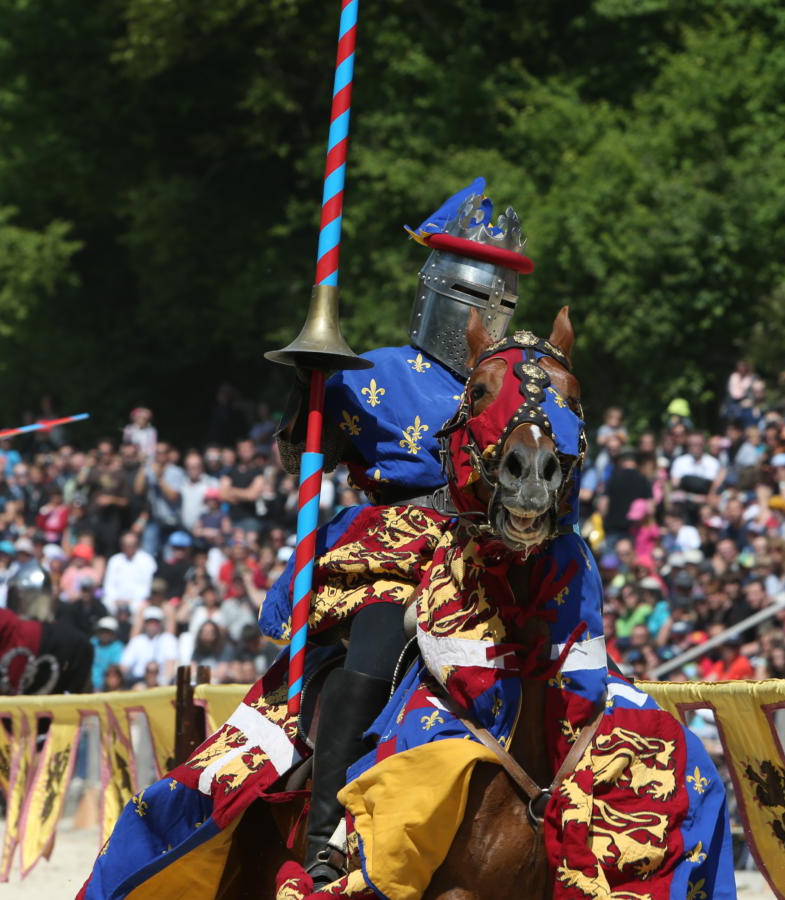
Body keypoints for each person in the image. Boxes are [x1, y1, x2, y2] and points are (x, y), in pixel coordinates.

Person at [267, 179, 537, 885]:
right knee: (380, 641)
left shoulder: (514, 383)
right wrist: (309, 383)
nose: (490, 316)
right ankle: (325, 829)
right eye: (478, 301)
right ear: (439, 297)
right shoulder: (377, 372)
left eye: (502, 305)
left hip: (486, 545)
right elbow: (301, 447)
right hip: (399, 543)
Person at [102, 532, 157, 617]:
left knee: (140, 607)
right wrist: (116, 599)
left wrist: (130, 601)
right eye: (126, 544)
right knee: (106, 603)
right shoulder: (114, 560)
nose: (129, 547)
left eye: (132, 544)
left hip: (137, 601)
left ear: (137, 545)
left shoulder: (147, 560)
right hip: (116, 600)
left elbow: (148, 585)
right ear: (122, 546)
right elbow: (108, 584)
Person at [119, 607, 178, 686]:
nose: (152, 625)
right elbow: (124, 665)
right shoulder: (137, 640)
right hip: (138, 681)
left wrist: (164, 683)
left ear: (160, 623)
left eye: (155, 622)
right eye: (149, 622)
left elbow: (170, 663)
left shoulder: (168, 639)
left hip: (161, 681)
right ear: (144, 623)